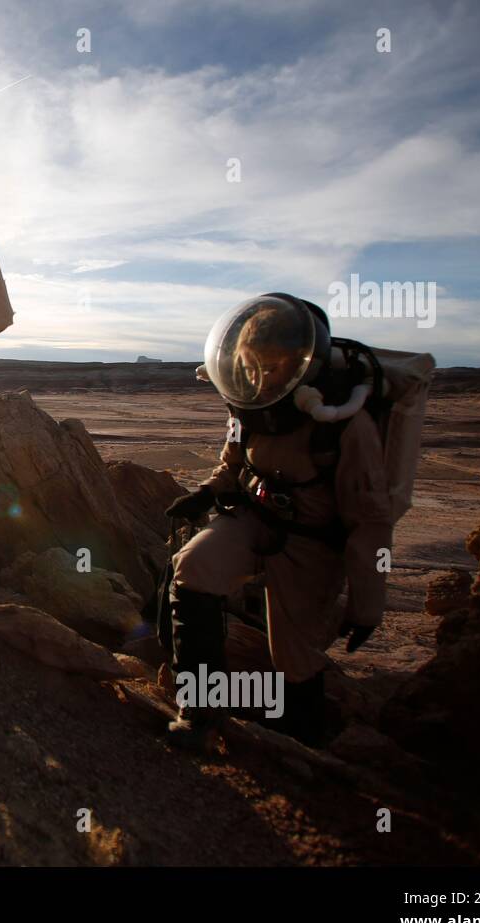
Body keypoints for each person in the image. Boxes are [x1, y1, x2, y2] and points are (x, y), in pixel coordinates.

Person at [162, 293, 392, 751]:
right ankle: (201, 712)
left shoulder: (345, 425)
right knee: (194, 567)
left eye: (274, 364)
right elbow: (232, 463)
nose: (263, 374)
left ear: (302, 364)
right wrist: (208, 493)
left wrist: (368, 606)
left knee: (294, 656)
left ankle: (301, 746)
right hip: (254, 515)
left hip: (311, 543)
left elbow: (370, 523)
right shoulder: (247, 408)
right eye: (254, 363)